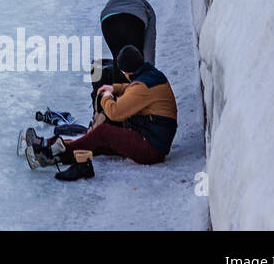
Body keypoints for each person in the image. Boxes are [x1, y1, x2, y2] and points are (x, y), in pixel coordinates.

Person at [26, 44, 178, 179]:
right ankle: (51, 148)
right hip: (152, 142)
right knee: (96, 142)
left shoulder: (142, 87)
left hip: (151, 148)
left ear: (126, 71)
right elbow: (131, 88)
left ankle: (51, 154)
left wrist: (106, 96)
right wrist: (115, 88)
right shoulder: (152, 76)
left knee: (103, 132)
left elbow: (114, 112)